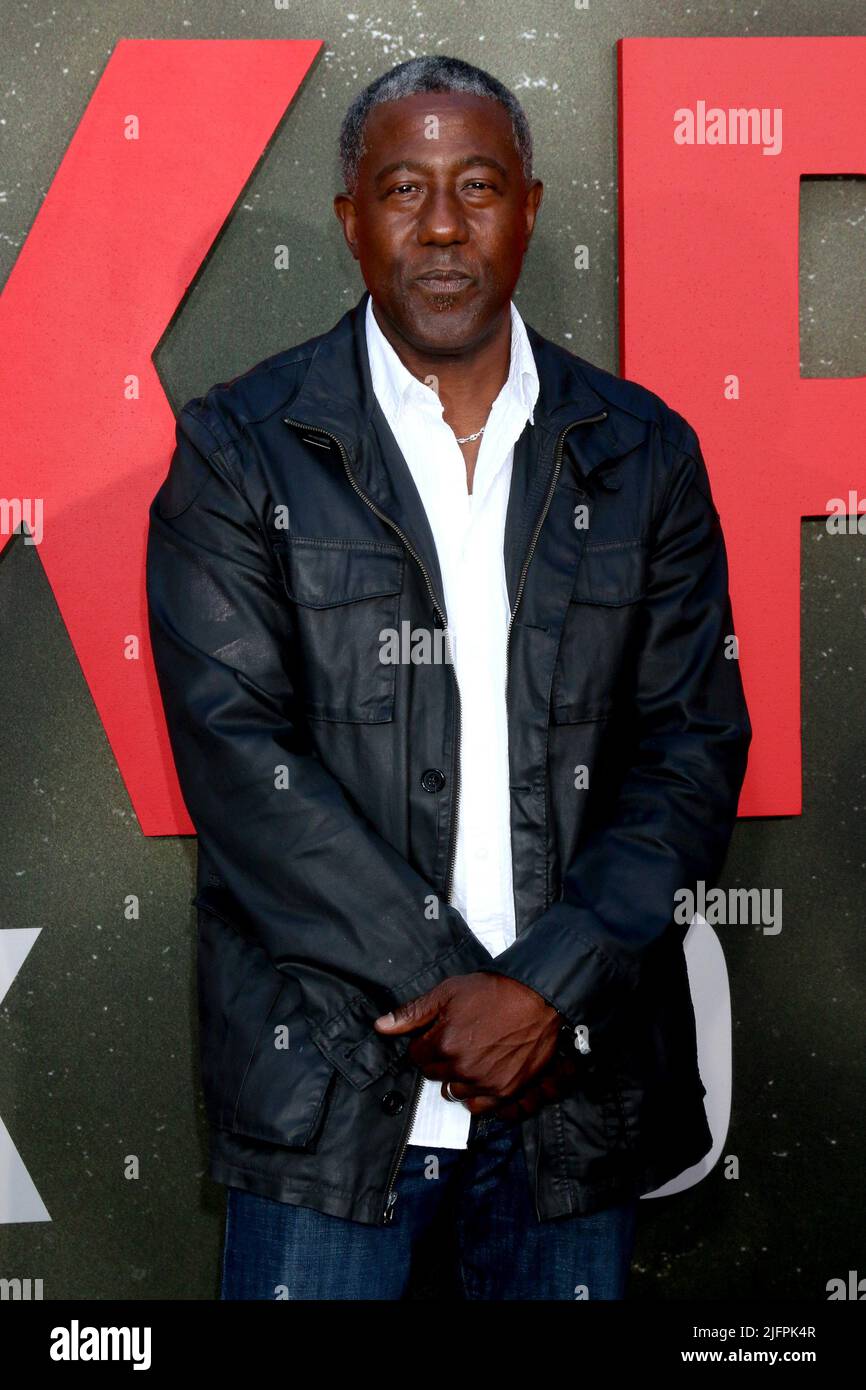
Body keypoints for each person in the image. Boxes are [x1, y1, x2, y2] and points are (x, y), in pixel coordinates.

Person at [146, 54, 752, 1301]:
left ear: (530, 206)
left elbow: (690, 748)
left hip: (565, 1103)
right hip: (329, 1099)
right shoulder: (237, 448)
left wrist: (545, 989)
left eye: (475, 187)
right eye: (402, 188)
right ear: (348, 219)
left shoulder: (640, 454)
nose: (439, 227)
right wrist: (457, 997)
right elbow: (239, 759)